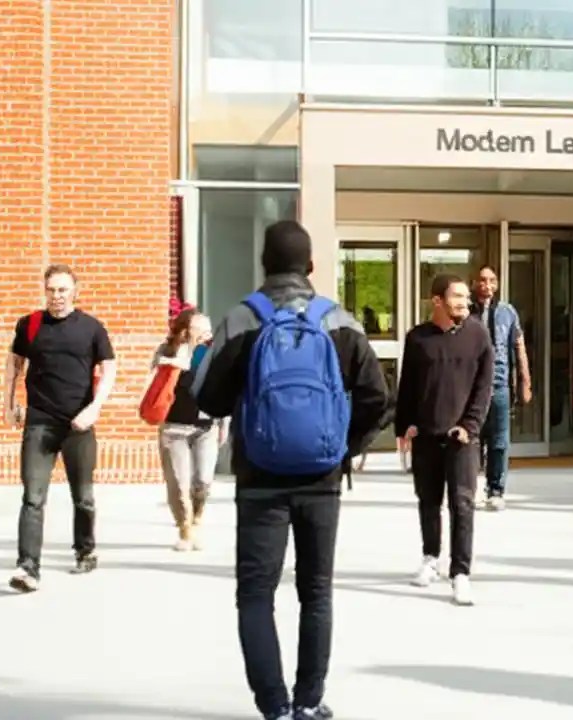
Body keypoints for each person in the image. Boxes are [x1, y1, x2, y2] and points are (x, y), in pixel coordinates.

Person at [193, 220, 393, 720]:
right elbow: (378, 398)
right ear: (311, 267)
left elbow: (206, 396)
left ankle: (274, 706)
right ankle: (308, 701)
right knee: (316, 590)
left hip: (260, 477)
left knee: (256, 593)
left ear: (264, 265)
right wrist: (343, 447)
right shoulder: (339, 320)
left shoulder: (243, 318)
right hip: (322, 479)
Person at [4, 264, 117, 593]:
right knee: (33, 497)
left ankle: (85, 549)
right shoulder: (31, 325)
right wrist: (7, 404)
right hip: (40, 420)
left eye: (63, 289)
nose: (56, 296)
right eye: (51, 289)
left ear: (75, 291)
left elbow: (109, 369)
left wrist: (94, 409)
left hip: (78, 424)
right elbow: (13, 364)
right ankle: (28, 568)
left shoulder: (91, 328)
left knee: (82, 497)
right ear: (45, 290)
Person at [396, 274, 493, 606]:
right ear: (436, 300)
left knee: (462, 504)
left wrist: (470, 425)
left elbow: (484, 386)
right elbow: (407, 386)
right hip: (426, 433)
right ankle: (430, 558)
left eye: (467, 297)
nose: (465, 302)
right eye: (457, 297)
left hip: (462, 438)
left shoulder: (478, 335)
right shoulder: (417, 339)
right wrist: (404, 426)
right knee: (428, 500)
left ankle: (461, 573)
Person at [150, 308, 228, 551]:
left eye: (208, 328)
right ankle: (185, 529)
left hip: (207, 428)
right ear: (185, 331)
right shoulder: (168, 351)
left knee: (203, 481)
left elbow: (224, 388)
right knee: (179, 483)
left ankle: (196, 516)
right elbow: (157, 368)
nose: (207, 333)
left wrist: (225, 422)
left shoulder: (214, 354)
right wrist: (183, 356)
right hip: (175, 428)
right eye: (200, 329)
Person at [471, 264, 532, 510]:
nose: (487, 285)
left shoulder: (508, 312)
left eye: (492, 280)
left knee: (499, 440)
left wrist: (525, 381)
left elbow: (519, 346)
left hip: (499, 385)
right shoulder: (466, 311)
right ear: (474, 283)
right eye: (482, 280)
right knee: (472, 439)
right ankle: (471, 487)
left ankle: (496, 490)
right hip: (471, 386)